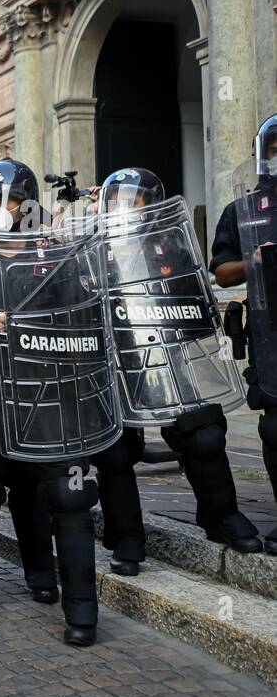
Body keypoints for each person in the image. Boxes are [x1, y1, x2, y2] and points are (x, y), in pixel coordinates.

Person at [0, 158, 102, 646]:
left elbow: (85, 316)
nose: (3, 210)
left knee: (67, 495)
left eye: (11, 202)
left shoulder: (58, 255)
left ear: (26, 204)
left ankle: (76, 604)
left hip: (50, 387)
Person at [92, 168, 261, 574]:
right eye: (118, 201)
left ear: (151, 205)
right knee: (115, 450)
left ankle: (221, 516)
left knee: (203, 433)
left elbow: (197, 300)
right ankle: (127, 536)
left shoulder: (171, 244)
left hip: (171, 355)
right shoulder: (92, 246)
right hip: (113, 361)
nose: (126, 208)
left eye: (135, 201)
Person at [211, 113, 277, 555]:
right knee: (275, 429)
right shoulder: (245, 210)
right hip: (270, 332)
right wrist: (257, 259)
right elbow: (221, 270)